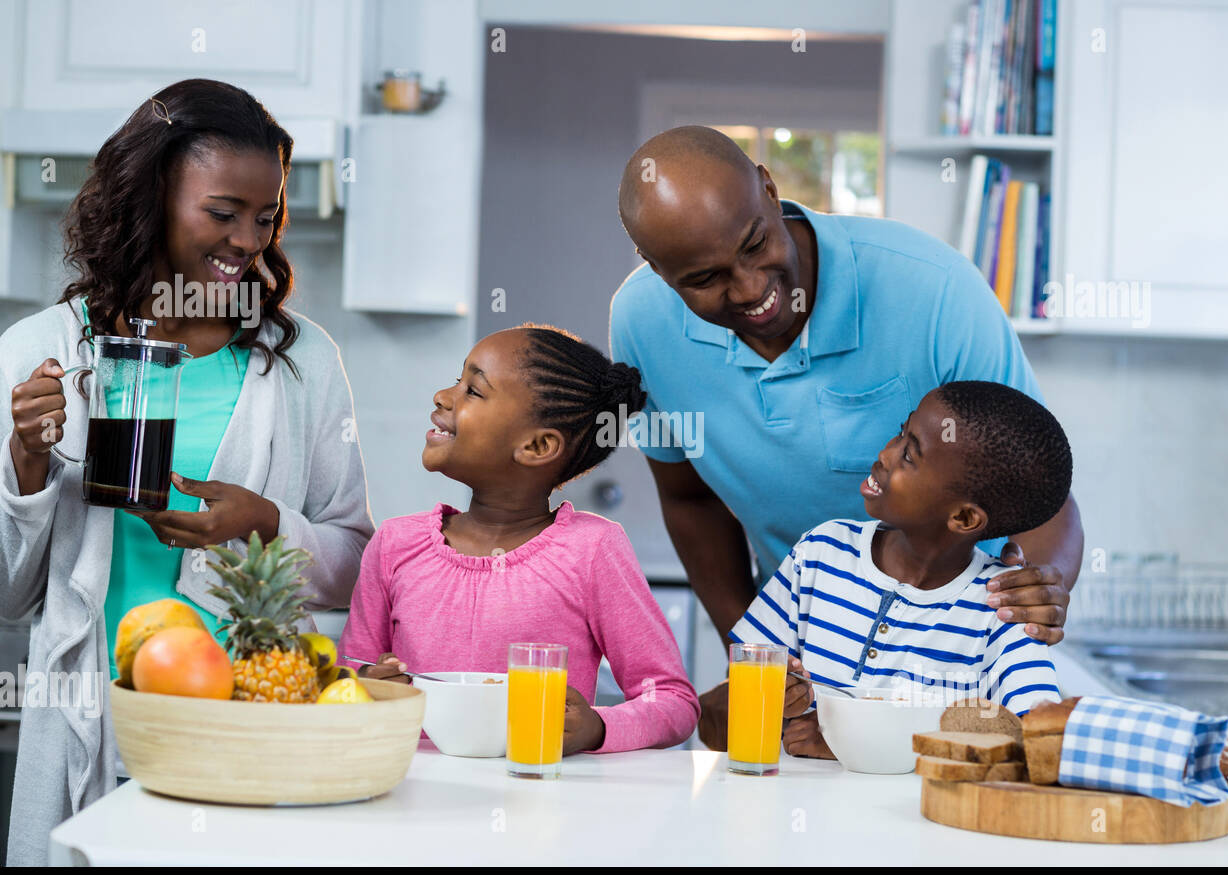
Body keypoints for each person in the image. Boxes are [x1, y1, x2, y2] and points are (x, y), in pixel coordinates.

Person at [0, 79, 373, 865]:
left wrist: (265, 523)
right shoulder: (46, 351)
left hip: (241, 724)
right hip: (92, 722)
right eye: (223, 213)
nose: (248, 239)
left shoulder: (302, 361)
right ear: (152, 196)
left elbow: (353, 568)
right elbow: (10, 598)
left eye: (266, 216)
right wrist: (28, 464)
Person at [610, 126, 1083, 663]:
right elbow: (688, 499)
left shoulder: (937, 290)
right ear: (656, 268)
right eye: (705, 278)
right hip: (812, 649)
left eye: (756, 244)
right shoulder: (638, 324)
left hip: (964, 648)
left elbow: (1041, 491)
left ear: (769, 188)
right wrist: (754, 660)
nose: (749, 290)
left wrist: (1043, 589)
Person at [338, 326, 700, 753]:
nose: (442, 395)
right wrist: (370, 688)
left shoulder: (592, 549)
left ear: (537, 445)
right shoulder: (396, 544)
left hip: (536, 802)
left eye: (473, 390)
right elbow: (349, 682)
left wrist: (597, 727)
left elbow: (673, 701)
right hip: (411, 799)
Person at [700, 381, 1071, 755]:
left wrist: (857, 743)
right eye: (900, 433)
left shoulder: (1004, 609)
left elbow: (1033, 744)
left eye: (909, 456)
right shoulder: (820, 553)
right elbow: (735, 697)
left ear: (963, 517)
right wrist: (773, 700)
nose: (885, 454)